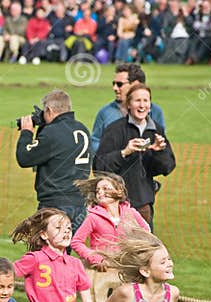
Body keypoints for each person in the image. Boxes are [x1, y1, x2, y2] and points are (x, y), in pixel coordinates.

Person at [94, 84, 176, 230]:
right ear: (128, 104)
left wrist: (159, 152)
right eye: (137, 101)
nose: (142, 105)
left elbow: (167, 167)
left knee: (143, 251)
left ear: (150, 105)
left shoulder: (156, 130)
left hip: (143, 206)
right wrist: (124, 152)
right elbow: (99, 166)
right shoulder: (114, 129)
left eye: (146, 101)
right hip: (116, 206)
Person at [10, 207, 92, 302]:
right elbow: (0, 277)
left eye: (68, 228)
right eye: (58, 228)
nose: (66, 231)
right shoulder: (35, 259)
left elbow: (88, 300)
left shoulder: (76, 264)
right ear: (44, 235)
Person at [16, 90, 91, 232]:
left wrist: (26, 132)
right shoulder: (82, 129)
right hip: (79, 204)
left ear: (49, 110)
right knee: (65, 250)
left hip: (55, 204)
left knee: (44, 252)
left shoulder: (53, 132)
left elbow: (24, 158)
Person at [71, 172, 150, 270]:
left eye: (105, 188)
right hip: (103, 270)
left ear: (119, 191)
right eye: (97, 190)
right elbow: (76, 242)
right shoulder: (93, 218)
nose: (100, 192)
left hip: (127, 268)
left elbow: (146, 234)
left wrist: (136, 252)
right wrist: (96, 259)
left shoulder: (131, 213)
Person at [90, 63, 166, 153]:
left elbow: (160, 143)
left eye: (119, 84)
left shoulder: (155, 112)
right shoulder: (105, 112)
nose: (114, 88)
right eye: (113, 83)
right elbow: (95, 141)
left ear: (135, 84)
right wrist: (117, 155)